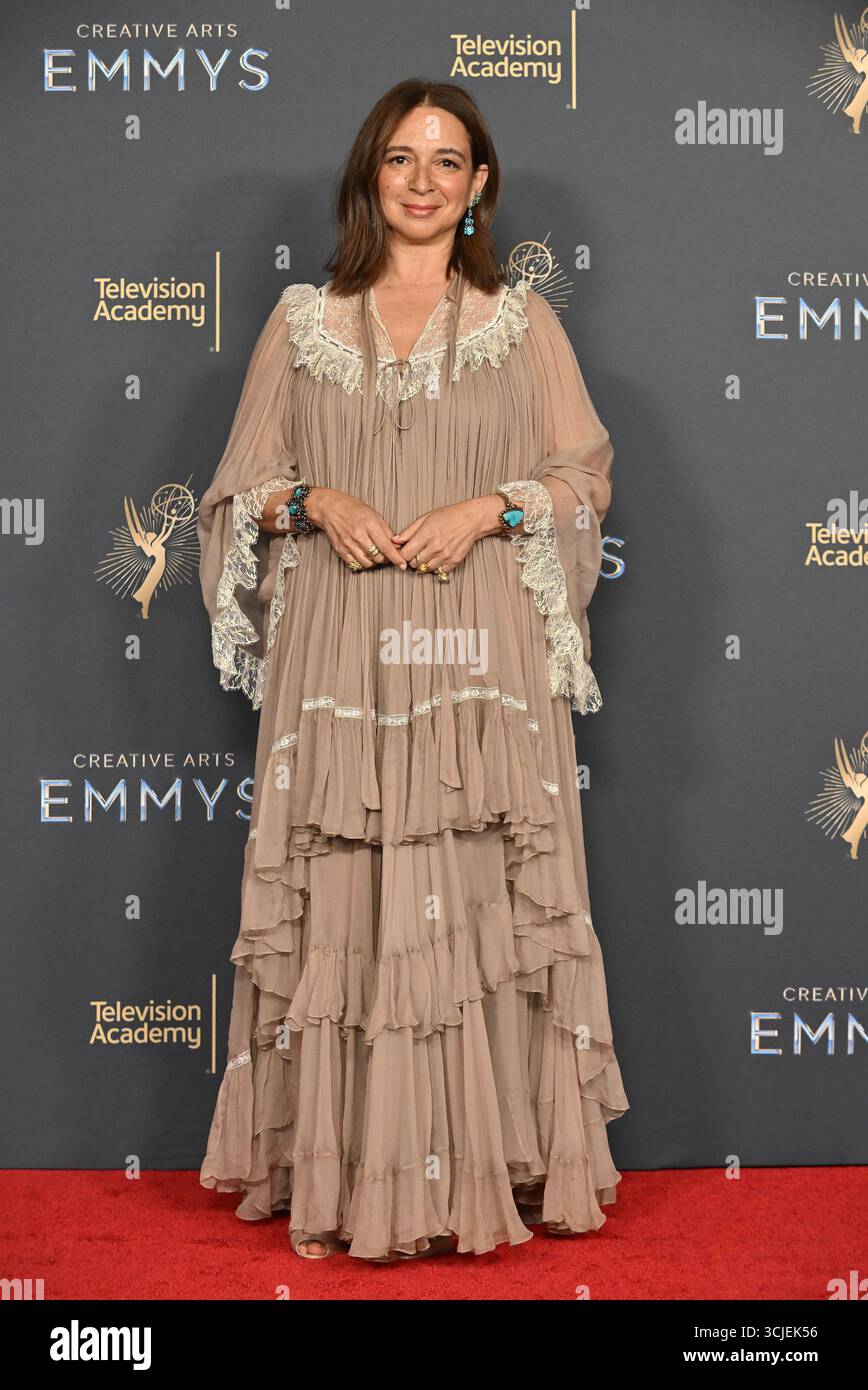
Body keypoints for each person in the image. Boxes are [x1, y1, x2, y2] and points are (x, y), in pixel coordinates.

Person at [197, 77, 628, 1263]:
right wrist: (312, 499)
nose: (423, 181)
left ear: (479, 183)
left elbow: (582, 478)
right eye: (401, 158)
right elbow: (235, 494)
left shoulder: (521, 324)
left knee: (473, 892)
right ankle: (346, 1175)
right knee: (347, 894)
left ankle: (488, 1166)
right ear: (369, 175)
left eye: (447, 160)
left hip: (475, 653)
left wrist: (488, 509)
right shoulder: (301, 323)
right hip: (341, 653)